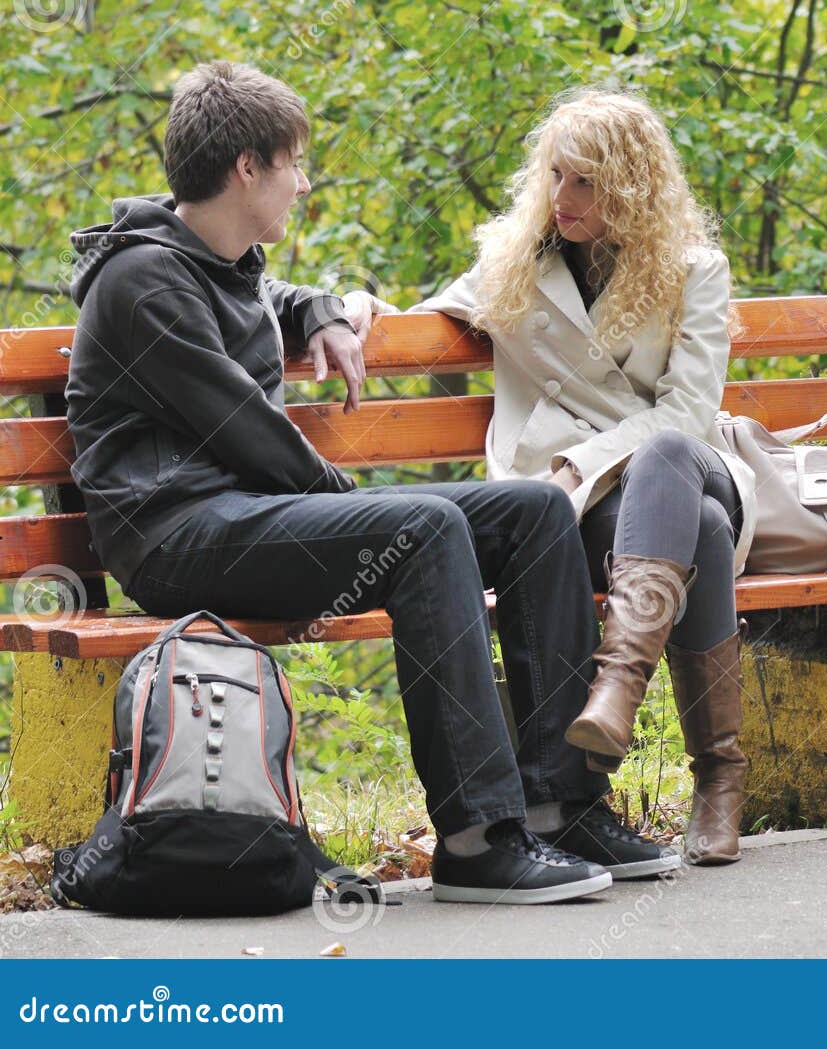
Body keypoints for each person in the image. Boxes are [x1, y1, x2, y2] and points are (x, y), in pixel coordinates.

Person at [64, 61, 678, 905]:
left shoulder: (212, 255)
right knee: (421, 530)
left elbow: (262, 290)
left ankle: (560, 804)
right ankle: (475, 837)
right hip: (176, 534)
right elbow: (248, 435)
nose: (303, 182)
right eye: (292, 163)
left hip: (247, 513)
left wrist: (319, 306)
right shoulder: (140, 281)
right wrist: (374, 511)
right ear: (247, 168)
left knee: (535, 511)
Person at [347, 87, 757, 864]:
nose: (562, 197)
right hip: (601, 511)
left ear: (631, 189)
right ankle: (719, 776)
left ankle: (618, 690)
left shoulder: (693, 270)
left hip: (684, 469)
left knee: (673, 465)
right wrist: (356, 306)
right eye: (557, 176)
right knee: (694, 535)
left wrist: (583, 459)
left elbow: (689, 414)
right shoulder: (515, 265)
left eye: (586, 182)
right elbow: (421, 321)